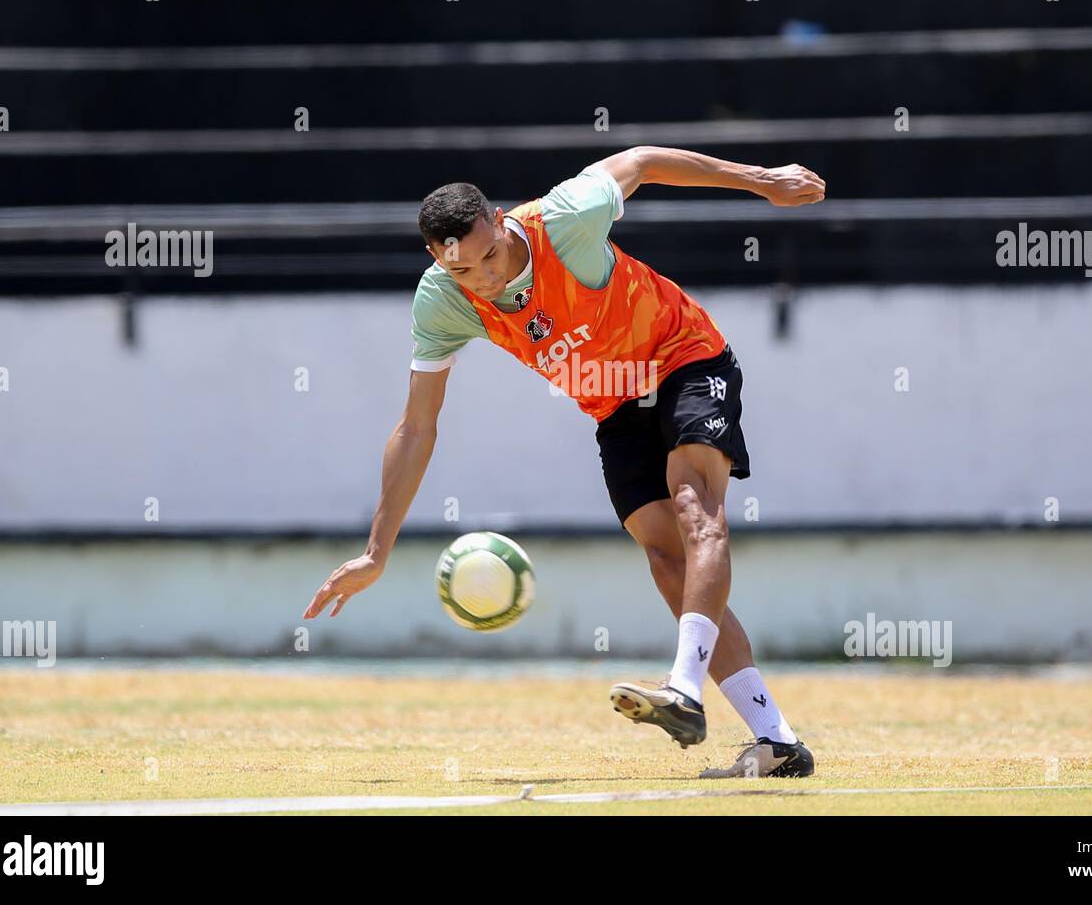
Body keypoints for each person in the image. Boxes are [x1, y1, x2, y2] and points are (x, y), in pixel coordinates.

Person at [304, 146, 826, 777]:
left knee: (695, 507)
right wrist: (377, 550)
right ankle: (777, 743)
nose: (485, 280)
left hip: (684, 356)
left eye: (489, 256)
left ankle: (683, 690)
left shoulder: (566, 218)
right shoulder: (443, 301)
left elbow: (643, 160)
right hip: (613, 405)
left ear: (500, 222)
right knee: (666, 556)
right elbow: (417, 427)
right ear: (437, 260)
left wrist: (762, 181)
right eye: (464, 270)